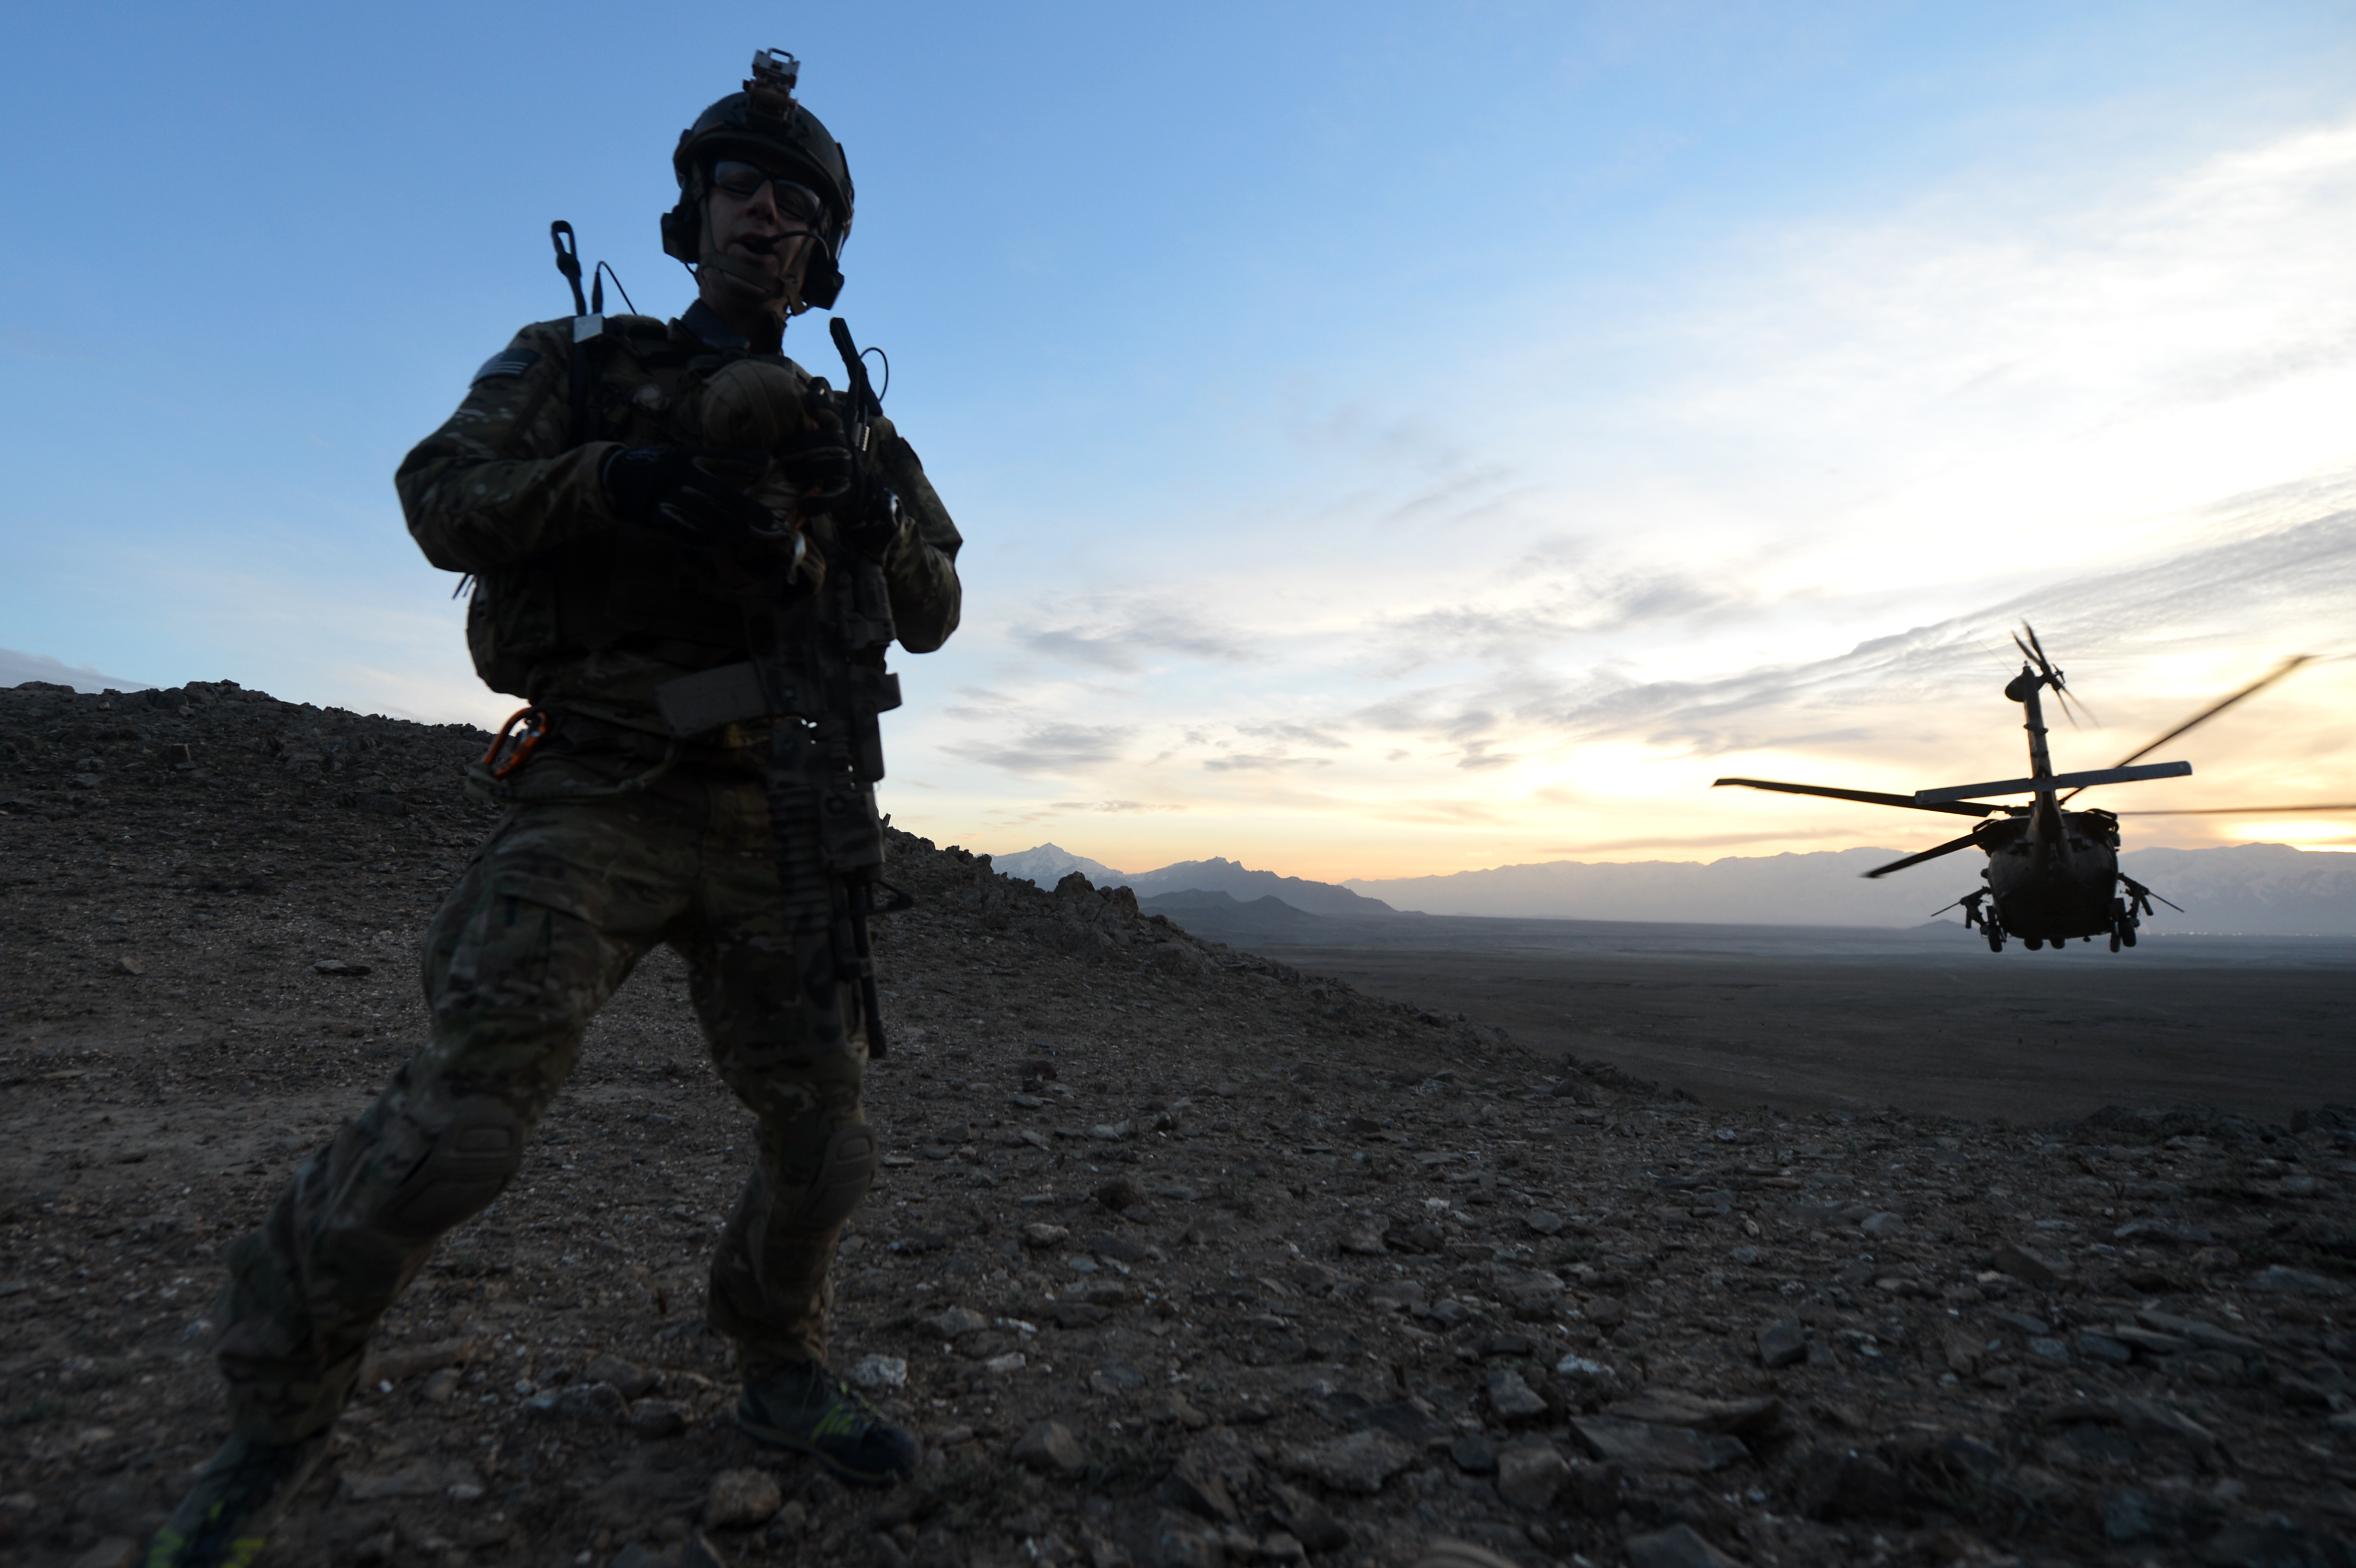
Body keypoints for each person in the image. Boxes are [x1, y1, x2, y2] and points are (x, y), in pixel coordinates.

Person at [147, 50, 961, 1568]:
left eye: (796, 201)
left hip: (785, 807)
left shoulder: (855, 430)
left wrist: (869, 519)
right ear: (694, 212)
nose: (765, 217)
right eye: (739, 186)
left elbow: (936, 611)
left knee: (825, 1149)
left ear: (824, 244)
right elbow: (438, 493)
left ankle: (778, 1368)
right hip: (595, 786)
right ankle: (276, 1414)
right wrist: (622, 480)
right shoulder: (578, 366)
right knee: (458, 1137)